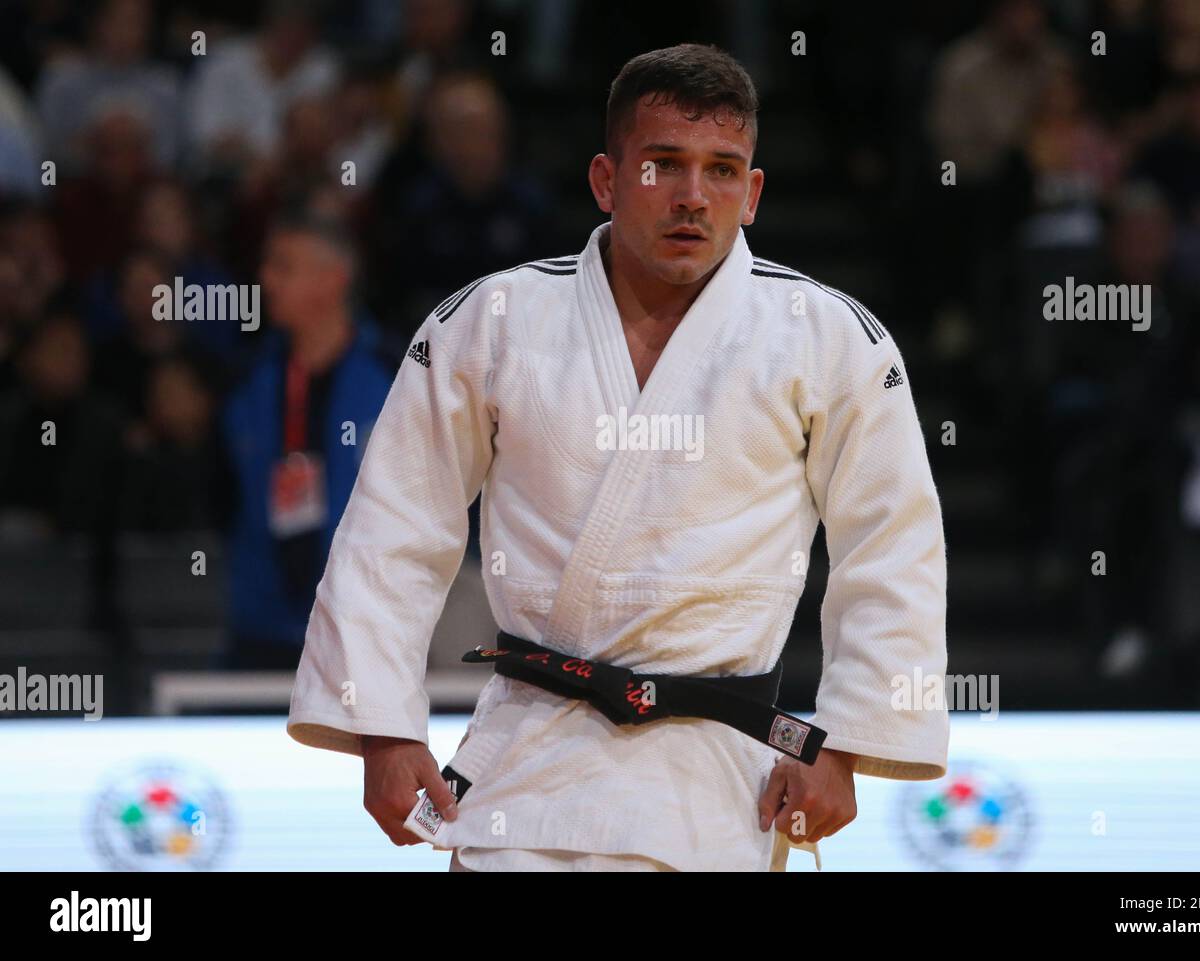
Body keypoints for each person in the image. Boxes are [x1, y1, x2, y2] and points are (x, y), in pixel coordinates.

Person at [287, 44, 948, 871]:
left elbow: (893, 551)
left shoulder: (832, 339)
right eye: (663, 165)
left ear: (752, 194)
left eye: (721, 170)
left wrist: (845, 744)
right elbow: (394, 528)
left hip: (718, 779)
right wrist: (383, 726)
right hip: (527, 770)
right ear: (606, 179)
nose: (691, 197)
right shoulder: (491, 321)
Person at [222, 211, 393, 670]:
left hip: (362, 635)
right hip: (260, 632)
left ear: (331, 280)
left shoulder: (396, 377)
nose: (265, 278)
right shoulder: (247, 380)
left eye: (283, 267)